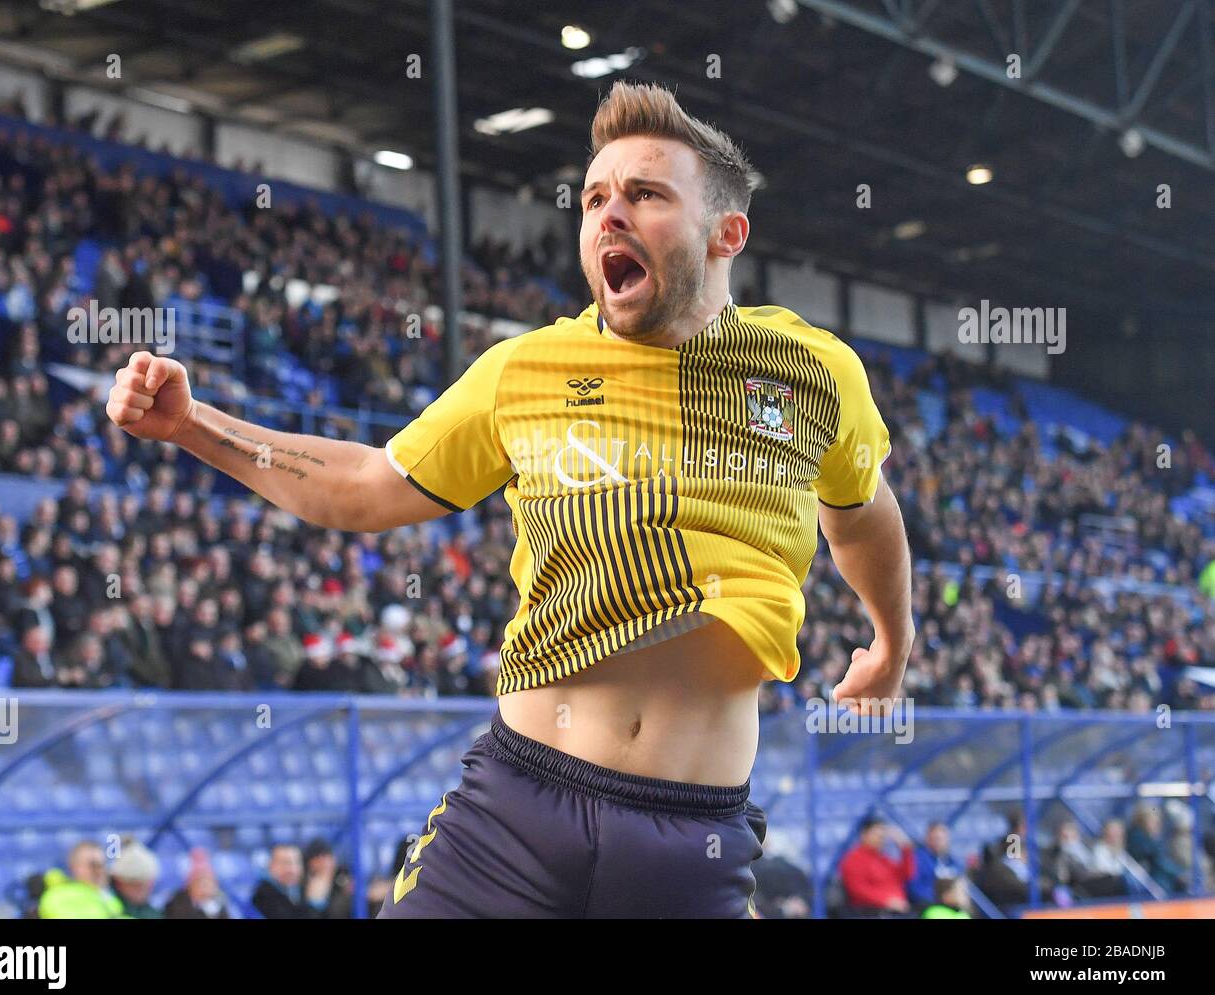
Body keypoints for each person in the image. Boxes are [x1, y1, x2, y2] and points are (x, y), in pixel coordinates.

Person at [106, 80, 913, 919]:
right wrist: (196, 426)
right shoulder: (522, 370)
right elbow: (364, 487)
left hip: (689, 847)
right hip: (515, 815)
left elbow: (862, 517)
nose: (609, 215)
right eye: (596, 197)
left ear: (726, 232)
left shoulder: (815, 374)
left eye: (645, 194)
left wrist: (893, 643)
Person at [838, 816, 916, 917]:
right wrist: (886, 901)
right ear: (864, 835)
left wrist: (906, 850)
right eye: (877, 834)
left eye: (882, 835)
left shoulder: (883, 858)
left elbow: (907, 875)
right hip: (872, 911)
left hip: (897, 910)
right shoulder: (853, 859)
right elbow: (857, 890)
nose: (881, 838)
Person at [37, 840, 123, 919]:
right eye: (93, 865)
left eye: (102, 865)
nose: (99, 870)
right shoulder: (57, 895)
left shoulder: (108, 896)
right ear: (74, 866)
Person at [250, 844, 330, 919]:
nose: (292, 869)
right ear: (271, 866)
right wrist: (313, 904)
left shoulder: (302, 887)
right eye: (285, 863)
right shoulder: (263, 894)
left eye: (297, 862)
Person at [908, 821, 962, 908]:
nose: (938, 842)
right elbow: (914, 888)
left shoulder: (953, 861)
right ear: (927, 839)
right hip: (926, 906)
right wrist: (939, 900)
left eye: (941, 838)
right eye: (935, 838)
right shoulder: (917, 859)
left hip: (951, 906)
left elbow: (959, 883)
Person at [165, 848, 230, 919]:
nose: (206, 888)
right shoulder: (177, 901)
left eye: (210, 882)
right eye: (201, 882)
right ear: (190, 885)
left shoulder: (219, 899)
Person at [109, 838, 163, 918]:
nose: (145, 889)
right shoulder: (108, 908)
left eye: (148, 883)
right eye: (136, 885)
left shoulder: (151, 913)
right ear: (119, 882)